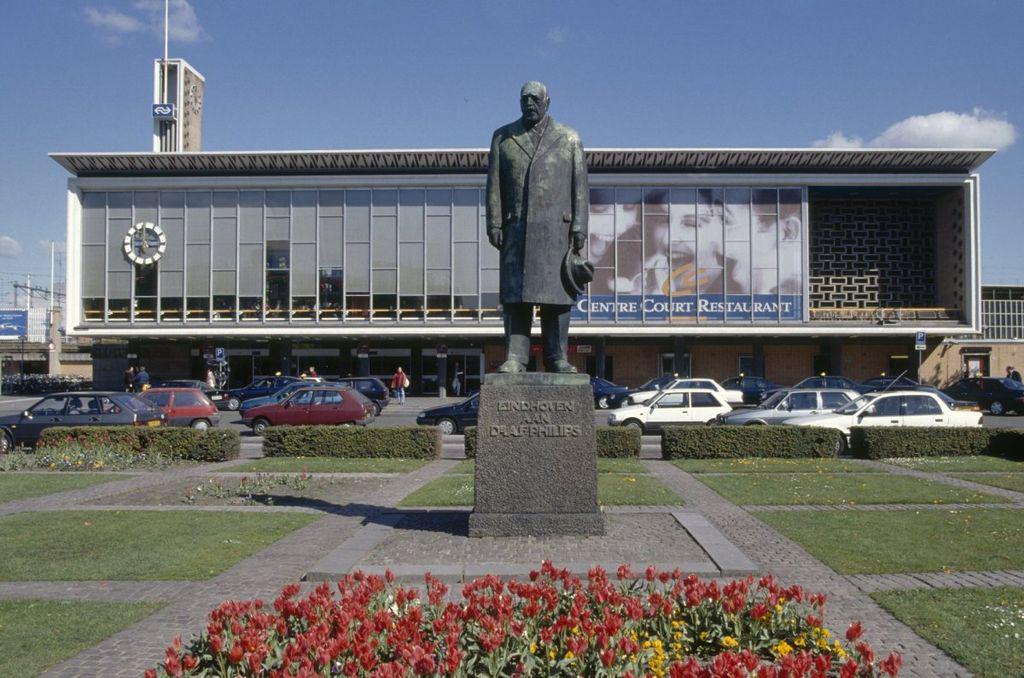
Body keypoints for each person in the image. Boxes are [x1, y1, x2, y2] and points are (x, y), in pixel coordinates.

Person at [486, 81, 590, 373]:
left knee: (556, 300)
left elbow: (579, 186)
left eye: (535, 98)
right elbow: (493, 185)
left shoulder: (569, 138)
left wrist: (579, 227)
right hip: (516, 230)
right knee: (517, 298)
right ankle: (516, 357)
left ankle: (557, 357)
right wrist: (494, 222)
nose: (529, 103)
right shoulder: (503, 137)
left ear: (548, 102)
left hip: (557, 232)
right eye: (524, 98)